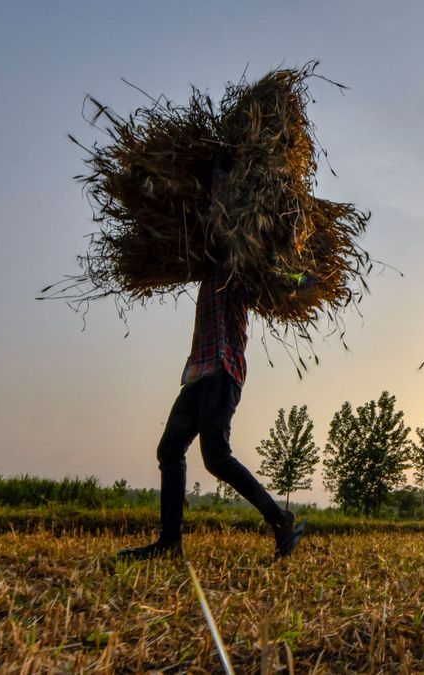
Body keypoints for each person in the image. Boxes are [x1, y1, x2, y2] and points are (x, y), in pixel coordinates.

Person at [118, 153, 304, 562]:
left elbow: (229, 221)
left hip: (223, 370)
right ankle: (169, 543)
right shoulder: (208, 269)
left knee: (216, 457)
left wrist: (219, 172)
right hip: (199, 373)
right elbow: (205, 226)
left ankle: (279, 519)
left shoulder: (241, 264)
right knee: (170, 450)